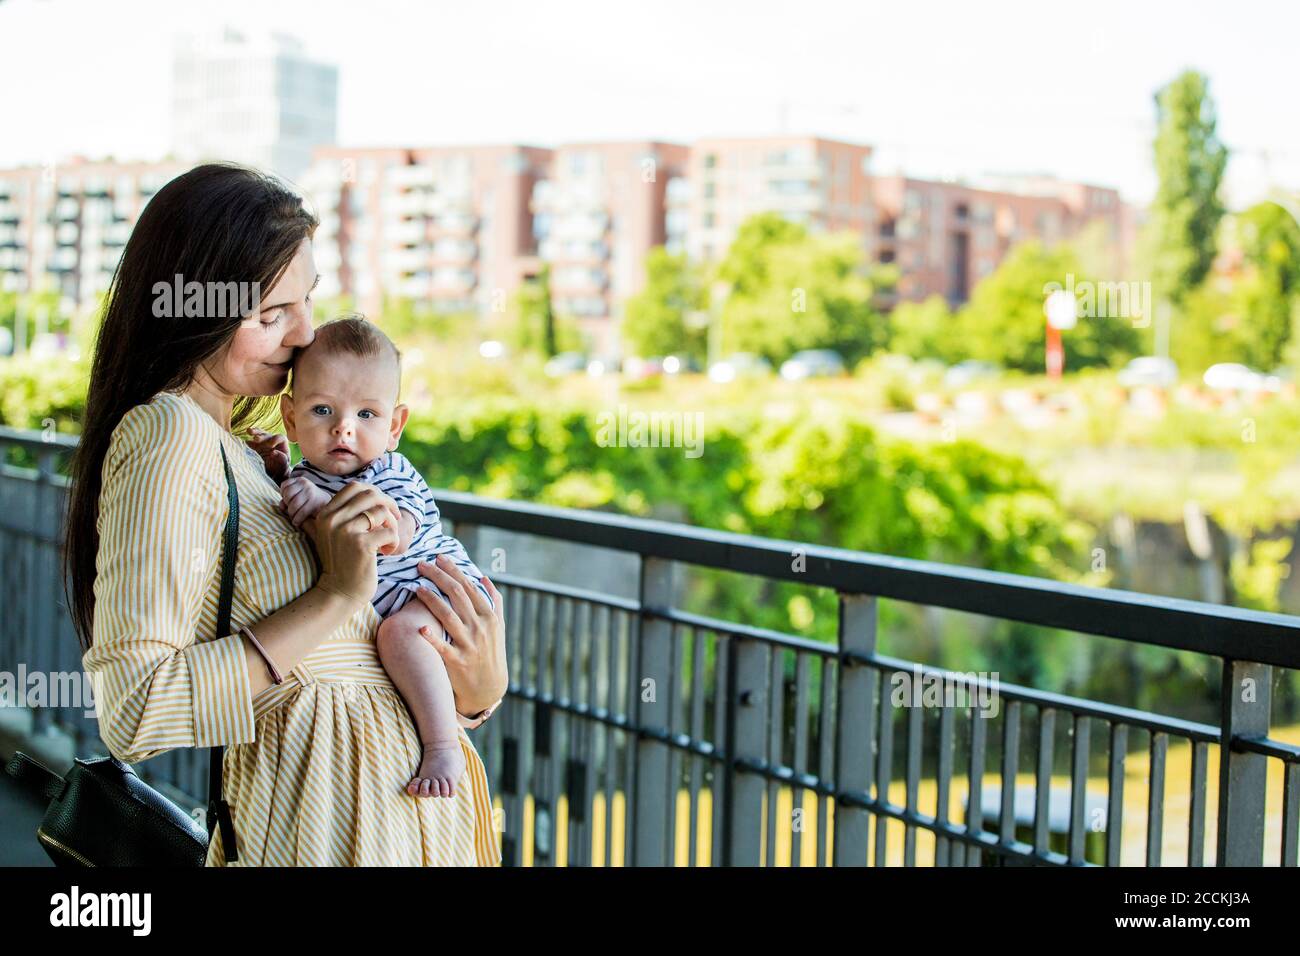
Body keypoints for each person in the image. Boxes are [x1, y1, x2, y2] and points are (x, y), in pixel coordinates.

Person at [64, 162, 508, 866]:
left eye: (307, 303)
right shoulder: (170, 437)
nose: (304, 336)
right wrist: (338, 594)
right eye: (272, 314)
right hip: (321, 839)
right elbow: (135, 710)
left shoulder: (250, 457)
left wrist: (480, 689)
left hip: (400, 832)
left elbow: (349, 671)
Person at [266, 314, 493, 799]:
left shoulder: (390, 473)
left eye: (366, 415)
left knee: (400, 635)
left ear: (395, 426)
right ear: (290, 418)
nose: (344, 430)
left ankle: (442, 746)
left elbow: (391, 532)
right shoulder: (306, 475)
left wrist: (325, 510)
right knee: (398, 639)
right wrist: (279, 472)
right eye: (323, 410)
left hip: (432, 590)